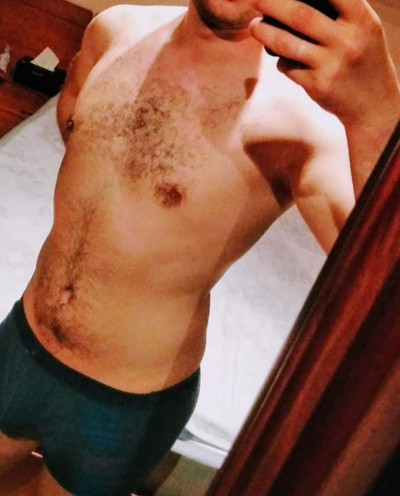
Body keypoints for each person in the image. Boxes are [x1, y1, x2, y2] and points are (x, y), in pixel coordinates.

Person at [0, 0, 399, 495]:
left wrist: (379, 115)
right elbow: (73, 125)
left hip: (122, 403)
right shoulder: (112, 29)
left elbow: (385, 290)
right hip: (21, 340)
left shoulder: (301, 126)